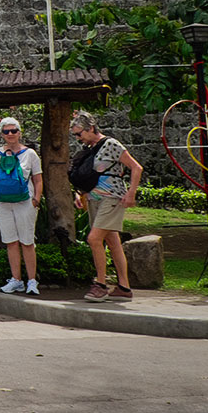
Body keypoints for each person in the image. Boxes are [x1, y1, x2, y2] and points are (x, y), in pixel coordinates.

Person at [72, 110, 143, 301]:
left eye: (80, 134)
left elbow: (136, 167)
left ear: (91, 128)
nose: (78, 138)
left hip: (111, 197)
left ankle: (101, 284)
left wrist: (131, 193)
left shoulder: (111, 144)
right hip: (95, 198)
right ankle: (124, 287)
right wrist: (81, 193)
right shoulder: (91, 149)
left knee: (94, 239)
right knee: (112, 241)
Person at [0, 117, 43, 295]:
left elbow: (38, 178)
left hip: (24, 202)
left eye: (13, 131)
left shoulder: (30, 154)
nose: (10, 134)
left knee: (27, 241)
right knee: (11, 241)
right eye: (6, 131)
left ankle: (32, 280)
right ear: (2, 134)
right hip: (3, 203)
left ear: (19, 132)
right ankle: (16, 279)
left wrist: (36, 198)